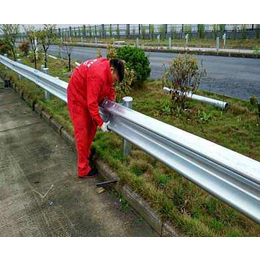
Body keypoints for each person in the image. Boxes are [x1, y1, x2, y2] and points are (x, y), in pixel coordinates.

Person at [67, 57, 124, 178]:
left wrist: (111, 106)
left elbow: (109, 89)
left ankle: (86, 153)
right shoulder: (98, 74)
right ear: (112, 70)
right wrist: (101, 123)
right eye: (115, 79)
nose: (114, 82)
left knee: (91, 128)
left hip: (86, 95)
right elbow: (92, 103)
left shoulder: (107, 70)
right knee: (82, 132)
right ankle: (83, 169)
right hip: (77, 97)